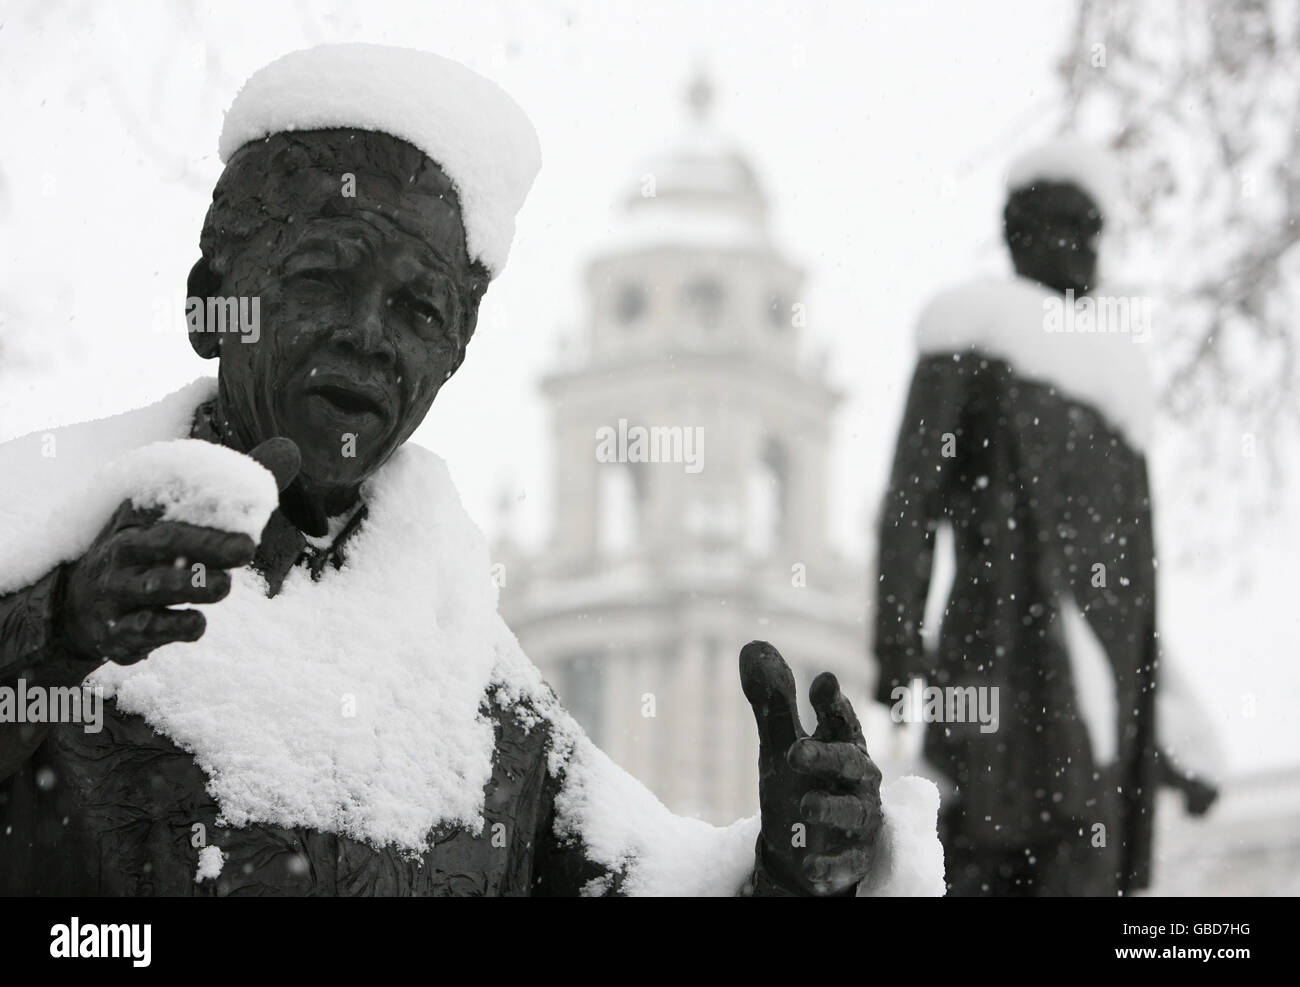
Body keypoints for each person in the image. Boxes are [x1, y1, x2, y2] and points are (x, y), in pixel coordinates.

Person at [0, 44, 942, 897]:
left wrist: (785, 867)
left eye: (418, 311)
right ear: (212, 302)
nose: (368, 337)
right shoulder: (42, 533)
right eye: (323, 277)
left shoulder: (477, 676)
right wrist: (53, 628)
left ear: (453, 355)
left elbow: (634, 880)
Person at [872, 141, 1217, 896]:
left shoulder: (1118, 387)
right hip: (998, 655)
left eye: (1095, 233)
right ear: (1019, 235)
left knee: (1084, 871)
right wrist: (896, 640)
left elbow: (1138, 584)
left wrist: (1169, 727)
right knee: (980, 853)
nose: (1085, 249)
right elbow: (911, 503)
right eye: (1067, 228)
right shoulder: (974, 336)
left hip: (1104, 698)